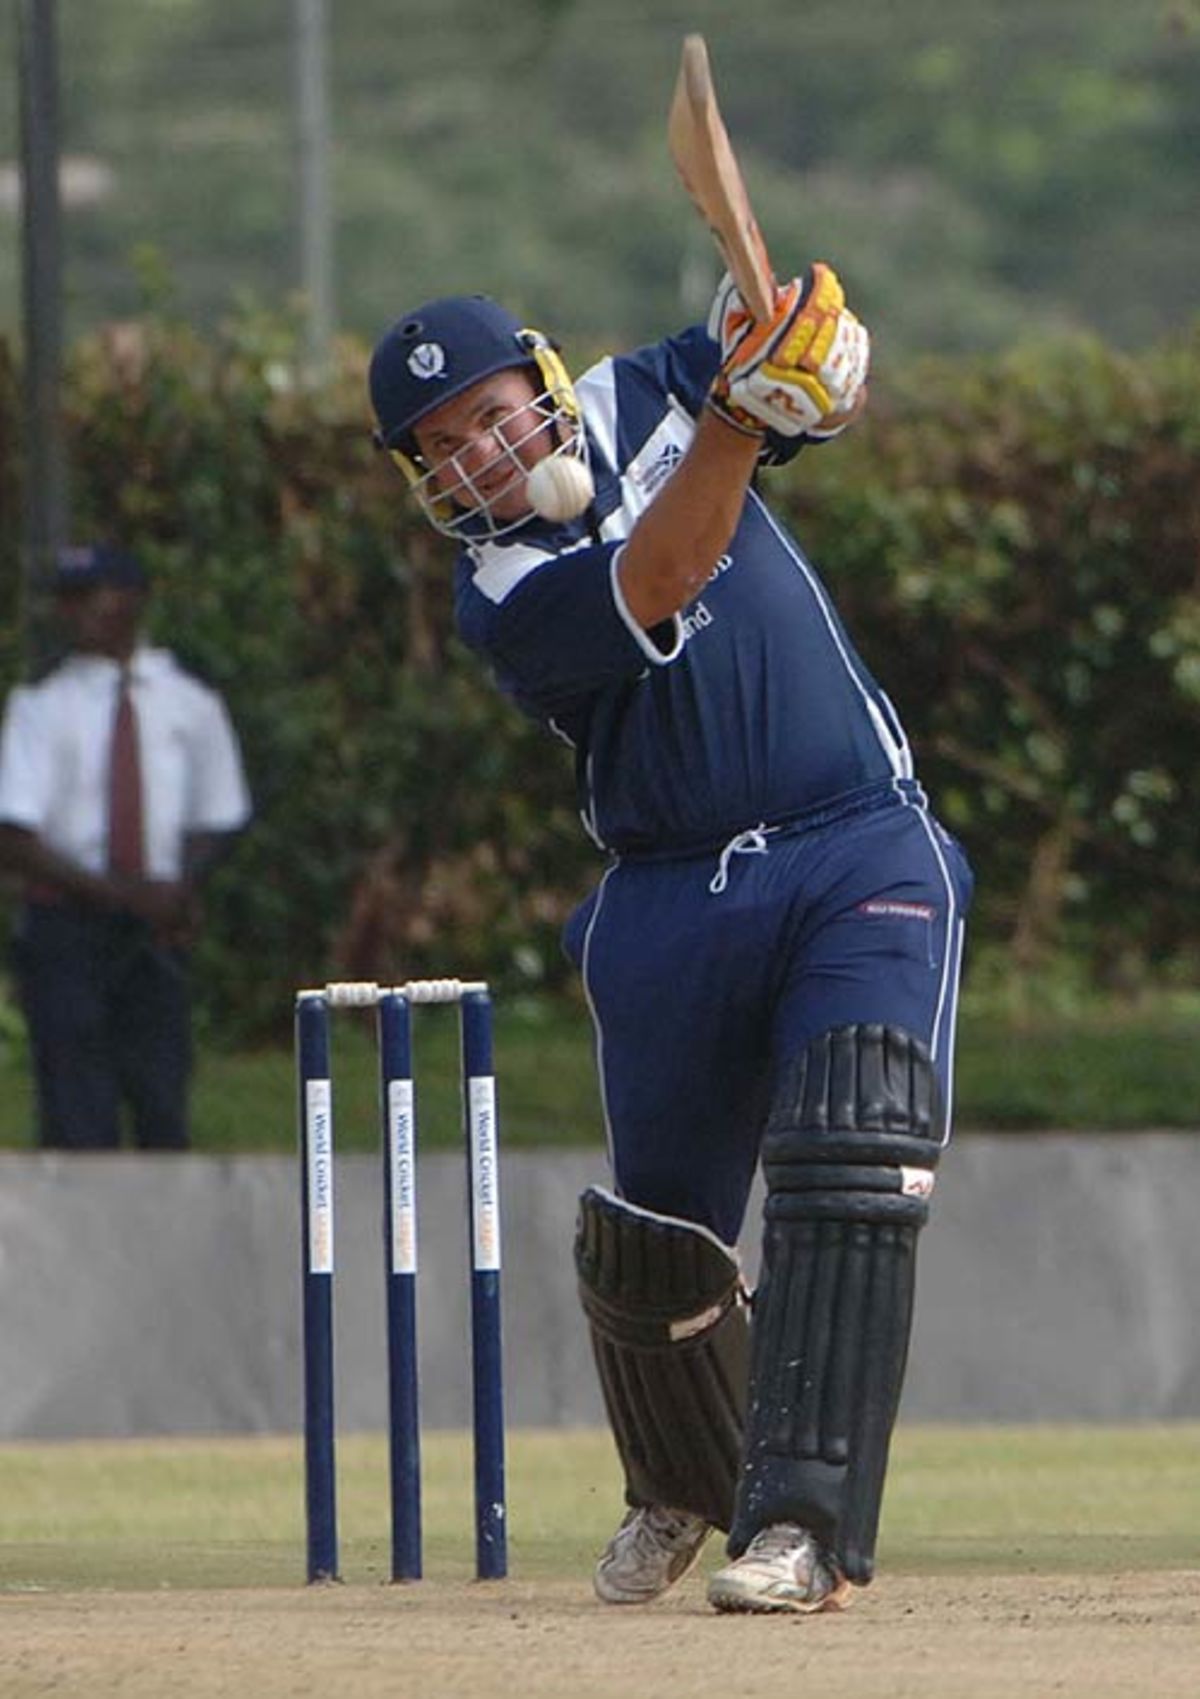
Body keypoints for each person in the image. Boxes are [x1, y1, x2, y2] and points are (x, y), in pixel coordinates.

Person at [367, 271, 973, 1614]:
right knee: (657, 1250)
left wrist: (817, 352)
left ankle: (803, 1527)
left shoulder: (651, 384)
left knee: (852, 1148)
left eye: (489, 412)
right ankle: (684, 1479)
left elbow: (810, 352)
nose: (479, 449)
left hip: (856, 838)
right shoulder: (503, 587)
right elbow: (663, 571)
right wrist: (743, 428)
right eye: (443, 443)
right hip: (665, 890)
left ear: (539, 376)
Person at [0, 544, 252, 1151]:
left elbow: (219, 813)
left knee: (160, 1085)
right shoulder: (42, 706)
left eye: (97, 596)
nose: (83, 613)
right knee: (75, 1095)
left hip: (155, 931)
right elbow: (15, 834)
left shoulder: (186, 701)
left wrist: (177, 890)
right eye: (72, 601)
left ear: (134, 601)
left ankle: (164, 1230)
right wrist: (122, 895)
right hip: (69, 919)